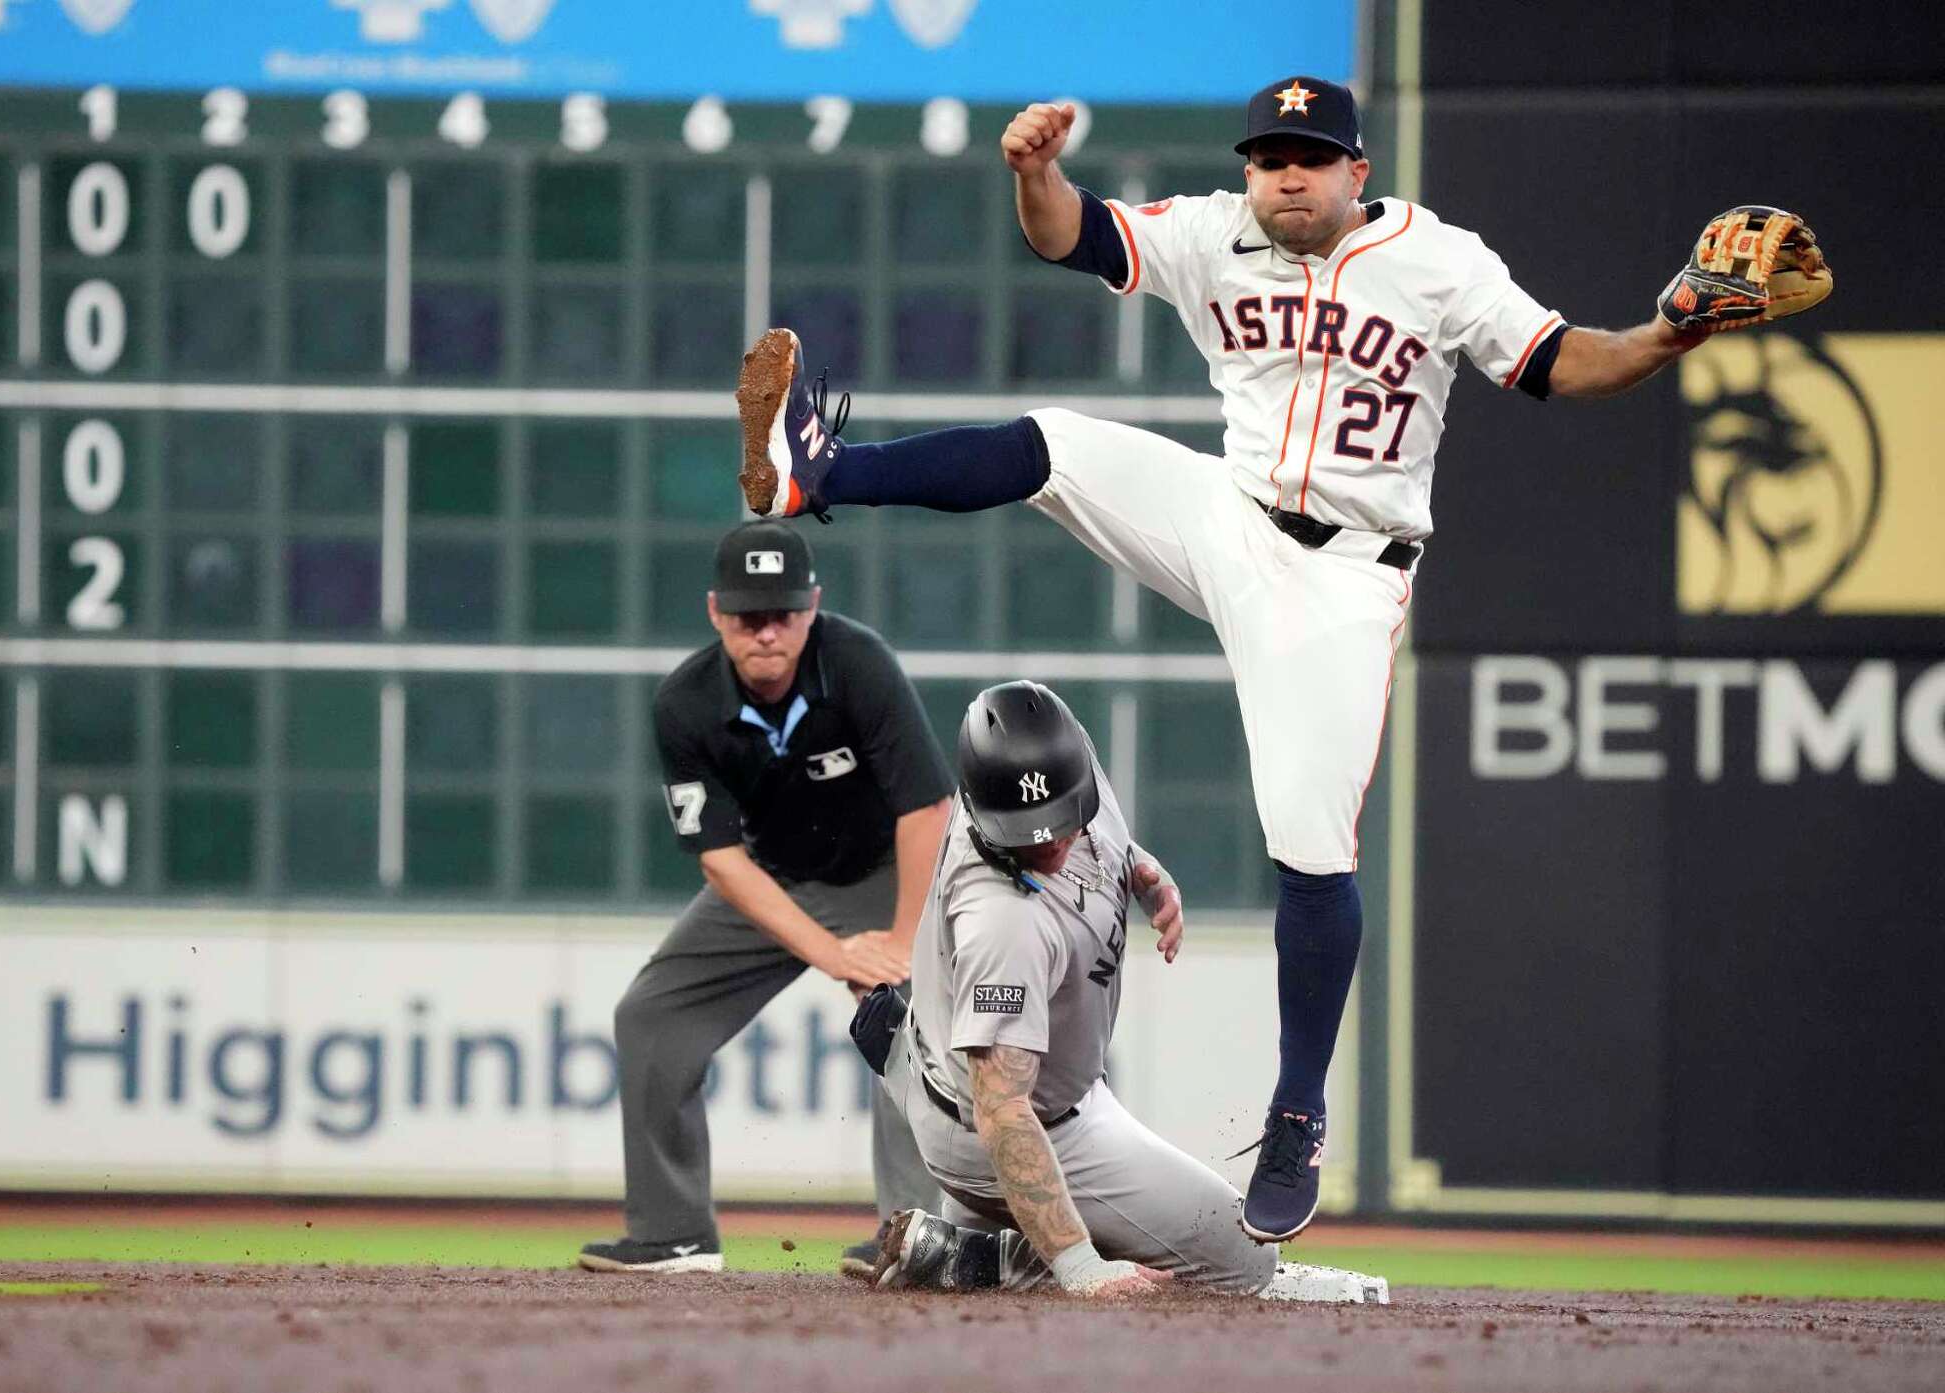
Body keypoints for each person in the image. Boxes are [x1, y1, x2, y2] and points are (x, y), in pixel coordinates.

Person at [733, 77, 1830, 1244]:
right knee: (1051, 444)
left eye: (1308, 157)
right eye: (1268, 157)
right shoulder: (1216, 231)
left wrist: (1669, 331)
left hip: (1344, 575)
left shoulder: (1438, 261)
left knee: (1307, 842)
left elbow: (1567, 363)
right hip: (1227, 514)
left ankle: (1297, 1108)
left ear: (1357, 170)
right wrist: (1030, 173)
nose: (1284, 176)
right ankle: (814, 475)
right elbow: (1070, 235)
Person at [854, 680, 1386, 1303]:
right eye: (1029, 830)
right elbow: (1002, 1109)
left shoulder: (1062, 760)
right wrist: (1079, 1264)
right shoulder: (1000, 919)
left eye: (1061, 816)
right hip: (1002, 1129)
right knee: (1243, 1267)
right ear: (982, 810)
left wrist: (1140, 873)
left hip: (1016, 1089)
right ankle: (993, 1259)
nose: (1052, 839)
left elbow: (1099, 837)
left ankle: (961, 1250)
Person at [578, 520, 951, 1275]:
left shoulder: (858, 665)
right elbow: (719, 860)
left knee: (910, 1023)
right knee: (650, 1016)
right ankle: (674, 1232)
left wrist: (901, 943)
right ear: (717, 613)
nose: (767, 630)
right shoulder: (684, 704)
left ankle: (917, 1236)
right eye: (749, 614)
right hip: (775, 876)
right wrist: (830, 952)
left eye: (782, 611)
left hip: (890, 875)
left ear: (812, 606)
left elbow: (927, 811)